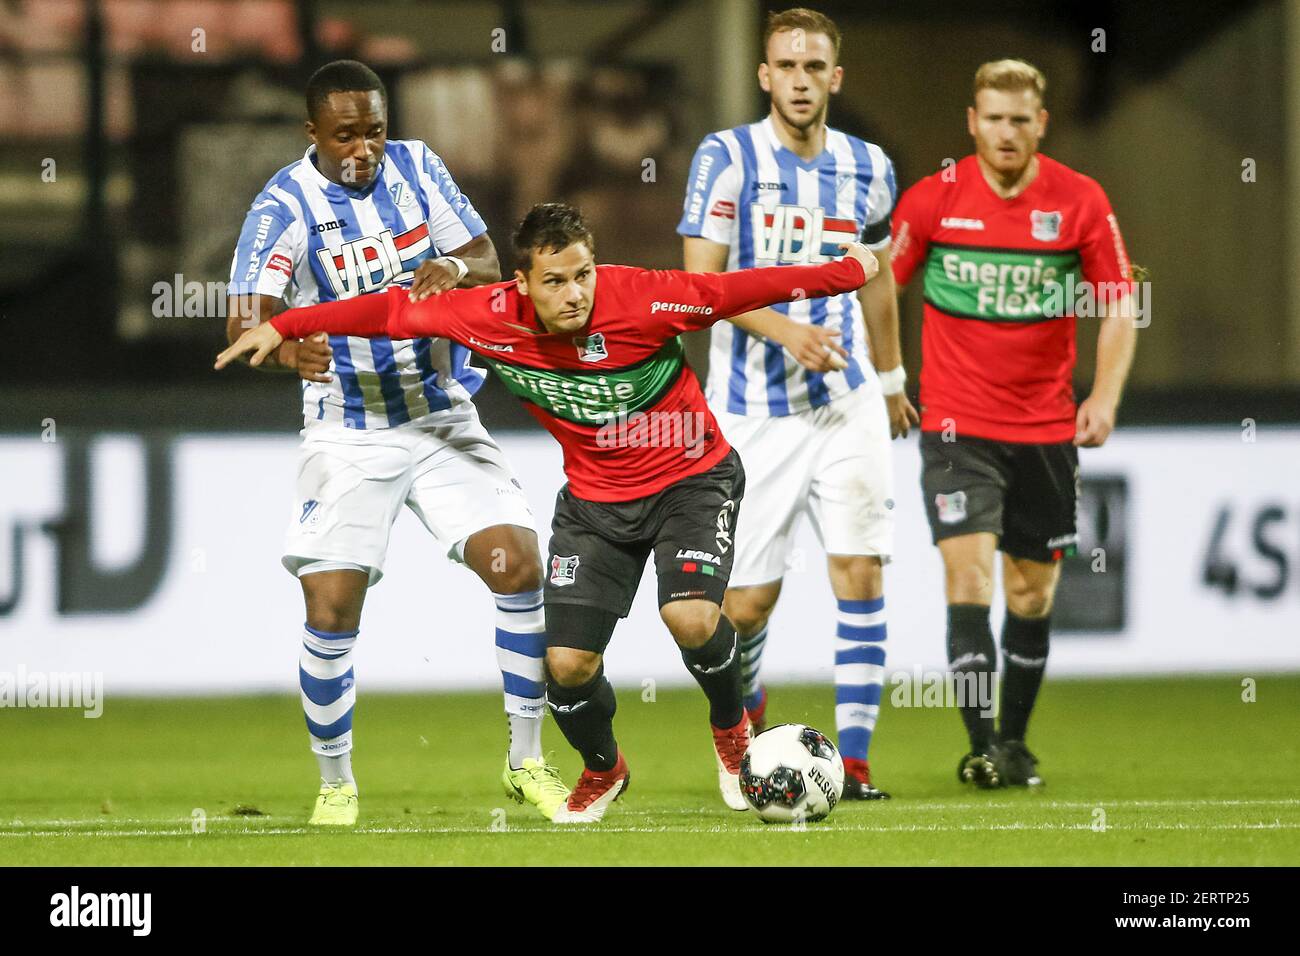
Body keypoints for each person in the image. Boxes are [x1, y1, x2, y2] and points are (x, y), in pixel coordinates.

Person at [218, 202, 879, 822]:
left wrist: (850, 270)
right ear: (523, 282)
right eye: (556, 280)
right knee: (563, 666)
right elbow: (386, 313)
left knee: (690, 616)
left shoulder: (646, 299)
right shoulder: (483, 316)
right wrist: (283, 324)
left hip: (693, 482)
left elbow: (744, 287)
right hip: (594, 505)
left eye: (584, 275)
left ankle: (733, 733)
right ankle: (605, 767)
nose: (575, 294)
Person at [225, 60, 568, 825]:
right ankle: (337, 783)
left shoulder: (418, 167)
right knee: (332, 602)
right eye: (345, 134)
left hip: (439, 415)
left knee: (516, 562)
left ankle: (527, 760)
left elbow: (486, 257)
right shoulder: (284, 202)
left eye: (374, 130)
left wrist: (447, 264)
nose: (363, 150)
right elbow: (246, 314)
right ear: (311, 133)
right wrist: (286, 350)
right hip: (348, 429)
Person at [679, 7, 916, 799]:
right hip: (752, 411)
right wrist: (785, 330)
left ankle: (853, 766)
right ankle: (746, 736)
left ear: (834, 78)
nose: (802, 80)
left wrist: (889, 380)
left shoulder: (870, 166)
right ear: (765, 76)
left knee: (860, 572)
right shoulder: (727, 157)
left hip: (845, 400)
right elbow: (700, 289)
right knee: (745, 604)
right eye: (788, 66)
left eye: (815, 68)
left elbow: (878, 277)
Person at [890, 59, 1138, 788]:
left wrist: (1107, 397)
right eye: (993, 118)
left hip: (1045, 434)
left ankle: (1015, 741)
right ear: (972, 122)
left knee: (1031, 594)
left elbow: (1120, 303)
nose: (1005, 132)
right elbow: (877, 282)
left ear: (1040, 125)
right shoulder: (933, 201)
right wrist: (886, 377)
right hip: (956, 428)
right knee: (967, 575)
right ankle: (979, 745)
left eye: (1019, 120)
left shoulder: (1081, 201)